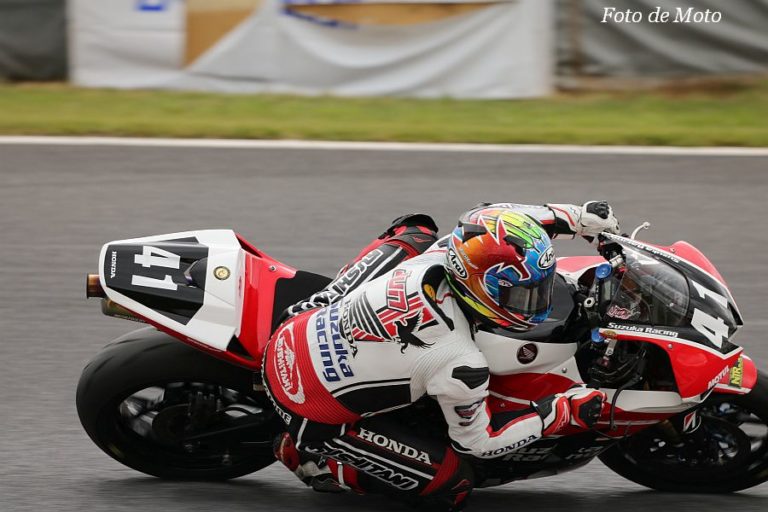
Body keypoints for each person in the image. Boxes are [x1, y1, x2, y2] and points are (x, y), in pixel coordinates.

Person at [263, 201, 620, 511]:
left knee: (416, 231)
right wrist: (558, 413)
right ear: (479, 286)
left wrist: (578, 217)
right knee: (452, 487)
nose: (535, 305)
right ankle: (314, 459)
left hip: (297, 321)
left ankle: (324, 307)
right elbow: (479, 443)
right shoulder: (460, 361)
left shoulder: (445, 252)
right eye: (521, 296)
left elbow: (495, 214)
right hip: (307, 405)